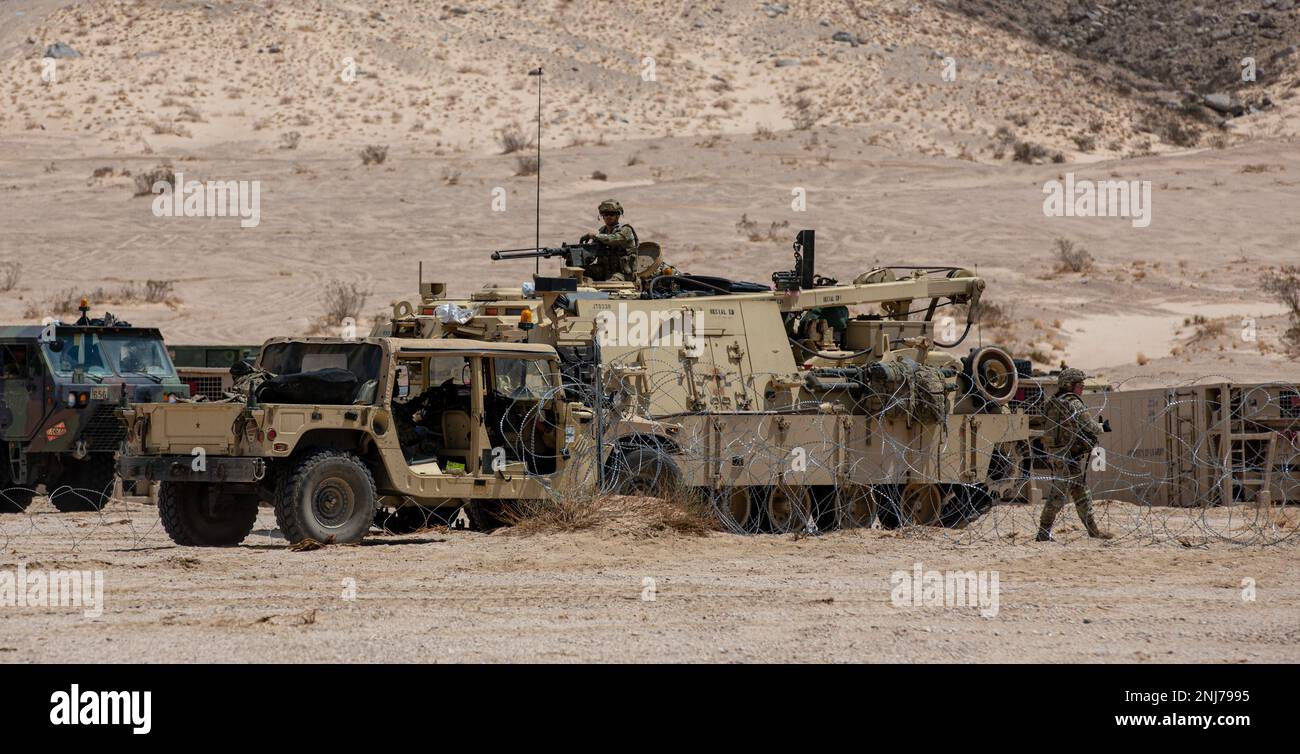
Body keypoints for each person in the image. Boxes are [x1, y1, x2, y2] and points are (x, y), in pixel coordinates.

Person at [1037, 367, 1111, 541]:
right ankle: (1042, 533)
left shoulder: (1051, 403)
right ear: (1070, 385)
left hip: (1058, 454)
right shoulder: (1073, 402)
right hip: (1067, 456)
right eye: (1080, 384)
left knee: (1081, 493)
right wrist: (1103, 427)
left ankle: (1093, 532)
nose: (1082, 387)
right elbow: (1090, 427)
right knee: (1057, 497)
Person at [579, 199, 638, 281]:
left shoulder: (626, 230)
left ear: (618, 215)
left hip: (623, 274)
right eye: (605, 214)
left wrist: (595, 236)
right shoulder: (602, 232)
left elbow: (613, 238)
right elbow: (592, 254)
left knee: (611, 284)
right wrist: (578, 257)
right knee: (578, 272)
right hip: (604, 271)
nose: (608, 217)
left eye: (611, 214)